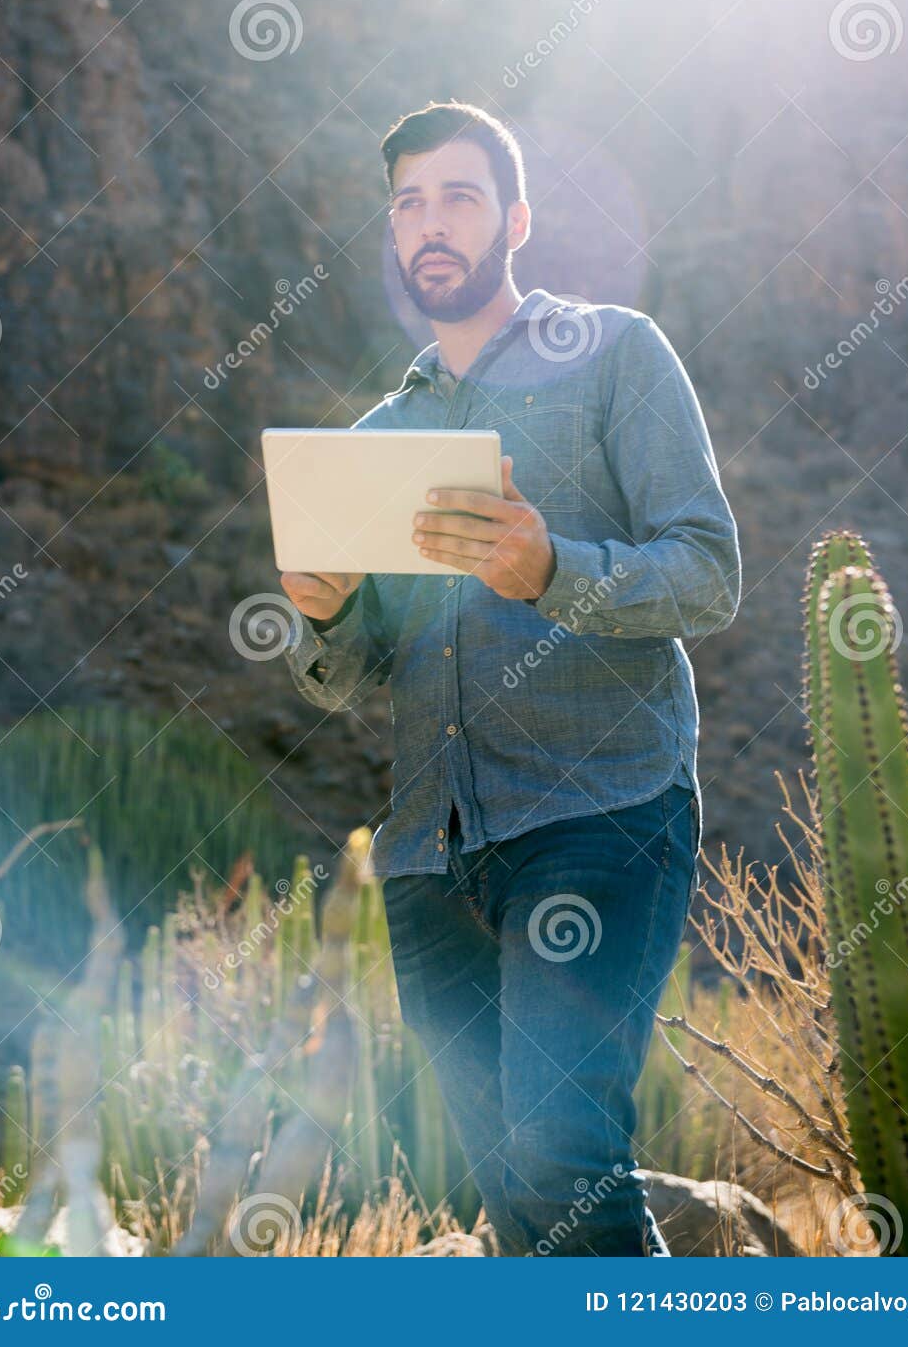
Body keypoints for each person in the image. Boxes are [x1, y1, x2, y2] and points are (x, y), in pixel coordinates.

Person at [280, 100, 741, 1255]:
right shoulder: (379, 433)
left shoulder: (619, 354)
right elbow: (348, 677)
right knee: (511, 1189)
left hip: (597, 814)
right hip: (430, 858)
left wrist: (552, 570)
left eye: (460, 196)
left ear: (517, 218)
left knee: (561, 1150)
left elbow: (709, 573)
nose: (431, 224)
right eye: (409, 203)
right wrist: (323, 615)